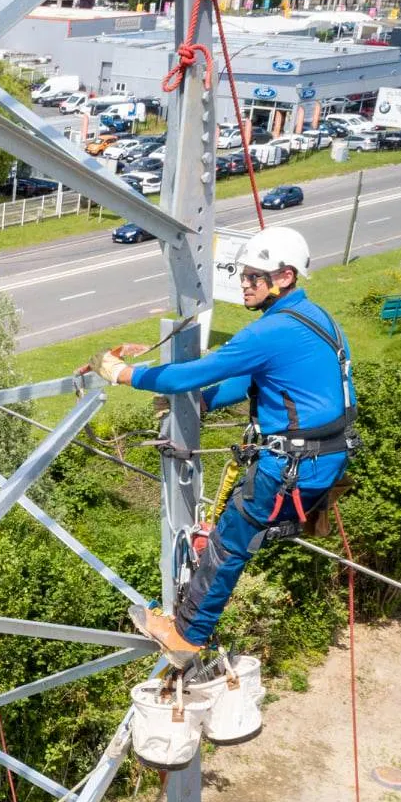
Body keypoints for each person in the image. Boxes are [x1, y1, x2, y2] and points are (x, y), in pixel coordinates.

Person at [96, 225, 357, 666]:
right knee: (229, 534)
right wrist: (203, 404)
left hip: (293, 468)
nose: (245, 284)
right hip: (323, 461)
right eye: (243, 274)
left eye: (256, 276)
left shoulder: (269, 333)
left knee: (228, 545)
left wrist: (122, 374)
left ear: (286, 276)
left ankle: (186, 635)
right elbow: (256, 379)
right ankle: (196, 605)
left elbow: (185, 375)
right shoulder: (318, 320)